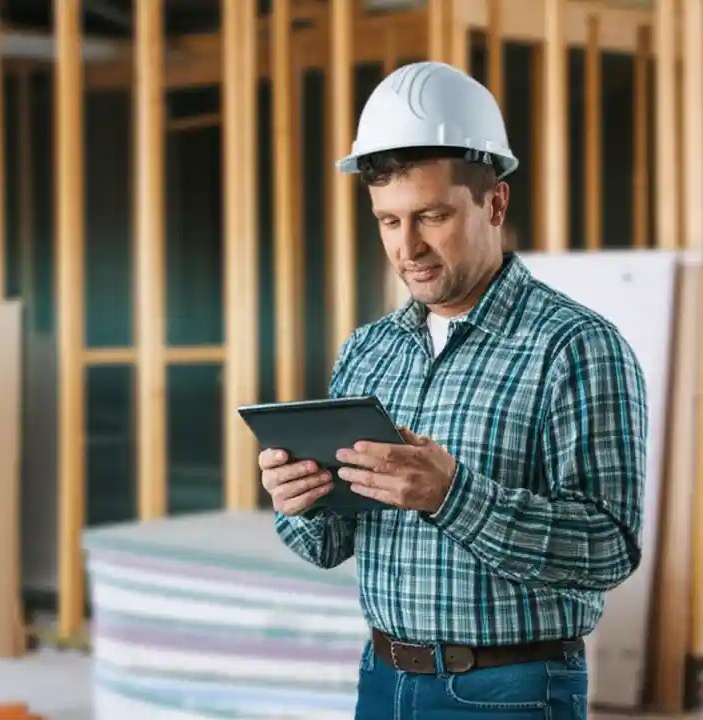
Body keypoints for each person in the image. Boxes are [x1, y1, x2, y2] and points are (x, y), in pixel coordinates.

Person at [259, 61, 648, 719]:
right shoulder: (368, 351)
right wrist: (298, 503)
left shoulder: (574, 346)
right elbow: (329, 546)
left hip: (510, 691)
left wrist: (451, 494)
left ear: (494, 202)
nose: (407, 246)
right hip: (383, 679)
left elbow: (609, 547)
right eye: (387, 221)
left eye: (431, 216)